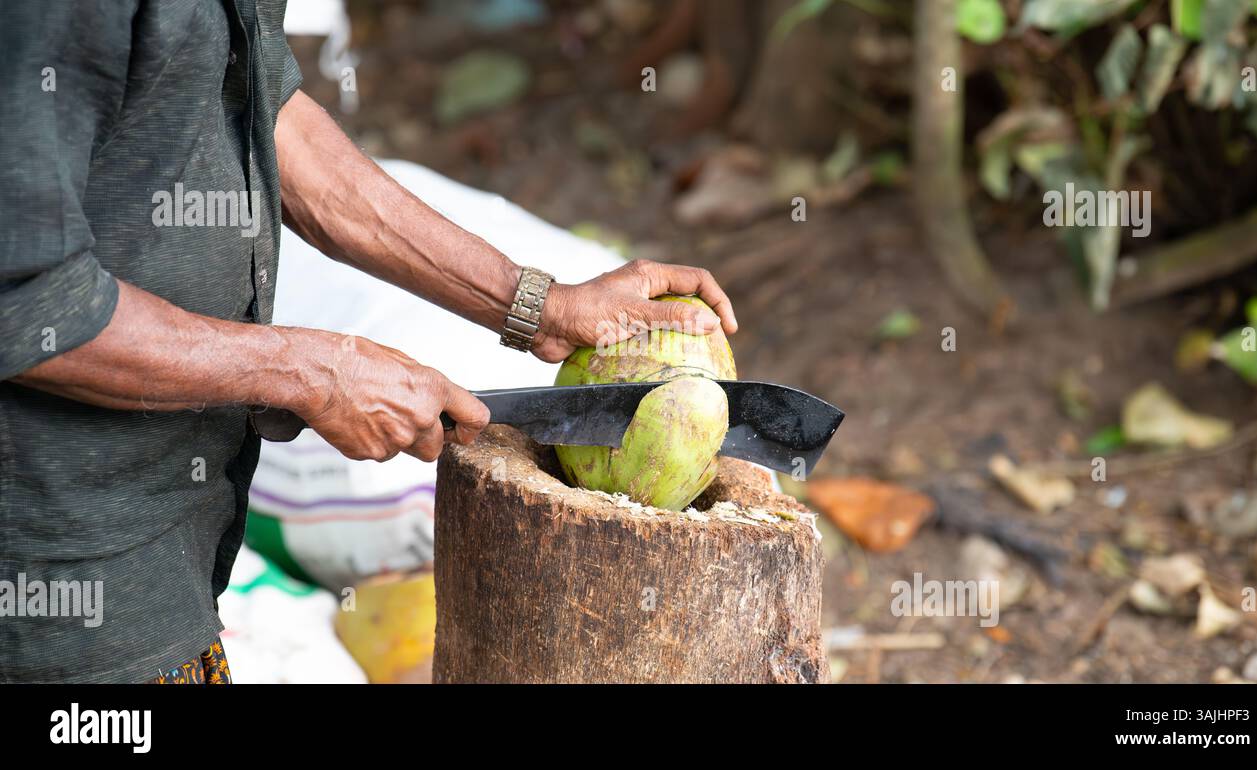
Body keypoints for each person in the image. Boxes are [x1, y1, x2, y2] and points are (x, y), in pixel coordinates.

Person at [0, 0, 737, 683]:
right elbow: (25, 292)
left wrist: (534, 305)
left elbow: (260, 107)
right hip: (56, 595)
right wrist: (309, 371)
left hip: (167, 559)